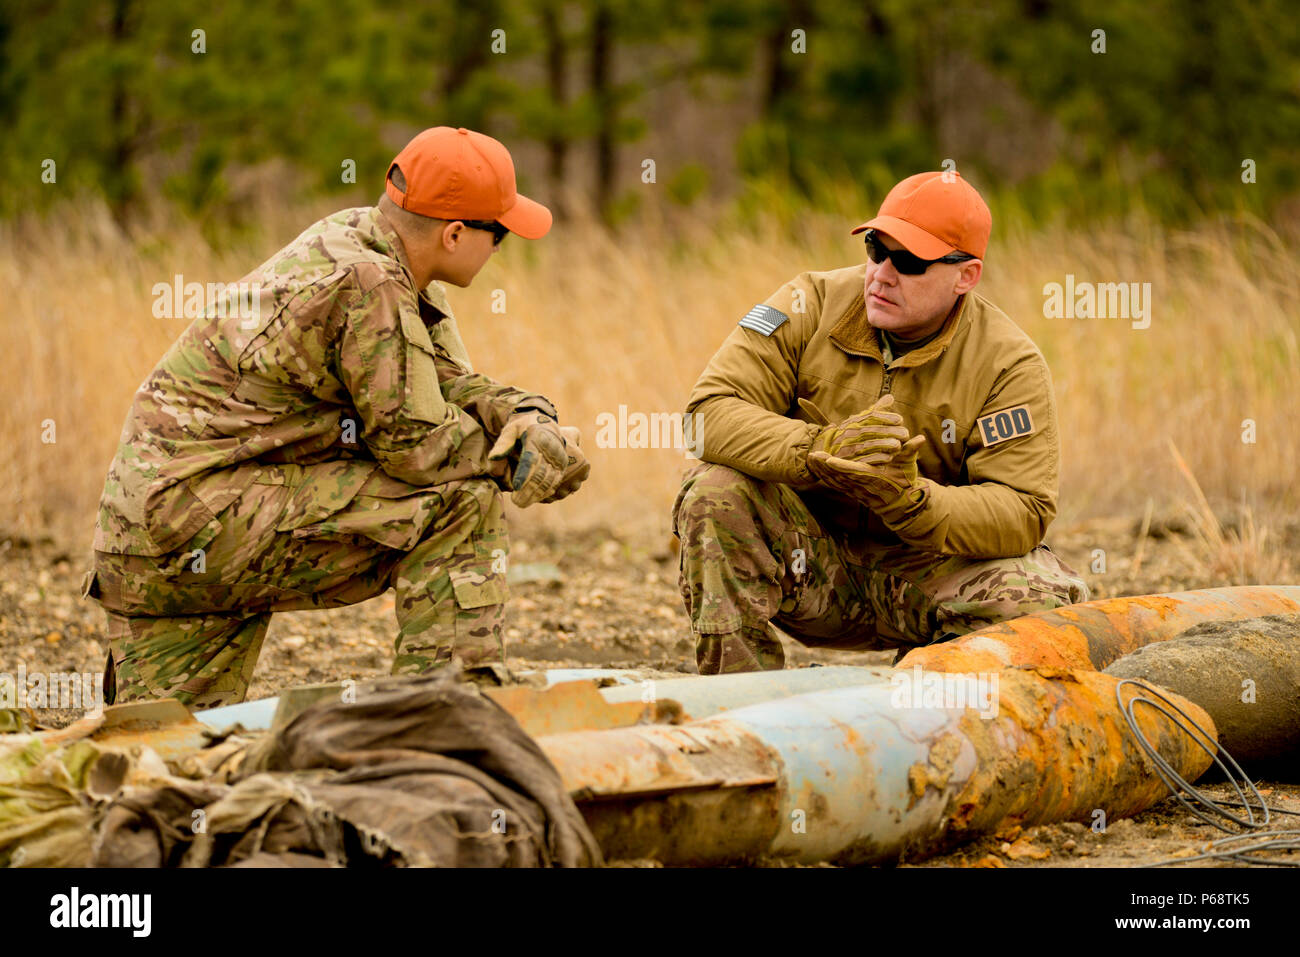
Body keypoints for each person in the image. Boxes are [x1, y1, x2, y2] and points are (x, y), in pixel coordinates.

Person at [84, 126, 589, 707]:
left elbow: (444, 383)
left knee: (166, 750)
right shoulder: (369, 282)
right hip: (193, 521)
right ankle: (445, 724)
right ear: (454, 233)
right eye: (497, 232)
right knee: (462, 502)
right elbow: (417, 447)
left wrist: (527, 415)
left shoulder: (368, 248)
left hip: (154, 536)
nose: (501, 246)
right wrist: (515, 458)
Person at [673, 170, 1089, 674]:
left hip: (921, 575)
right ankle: (736, 697)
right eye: (876, 249)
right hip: (810, 566)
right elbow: (707, 412)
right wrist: (820, 449)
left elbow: (1023, 508)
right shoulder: (809, 304)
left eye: (910, 262)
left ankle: (930, 688)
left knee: (1040, 595)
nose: (883, 274)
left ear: (967, 275)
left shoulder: (1006, 362)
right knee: (712, 489)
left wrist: (913, 501)